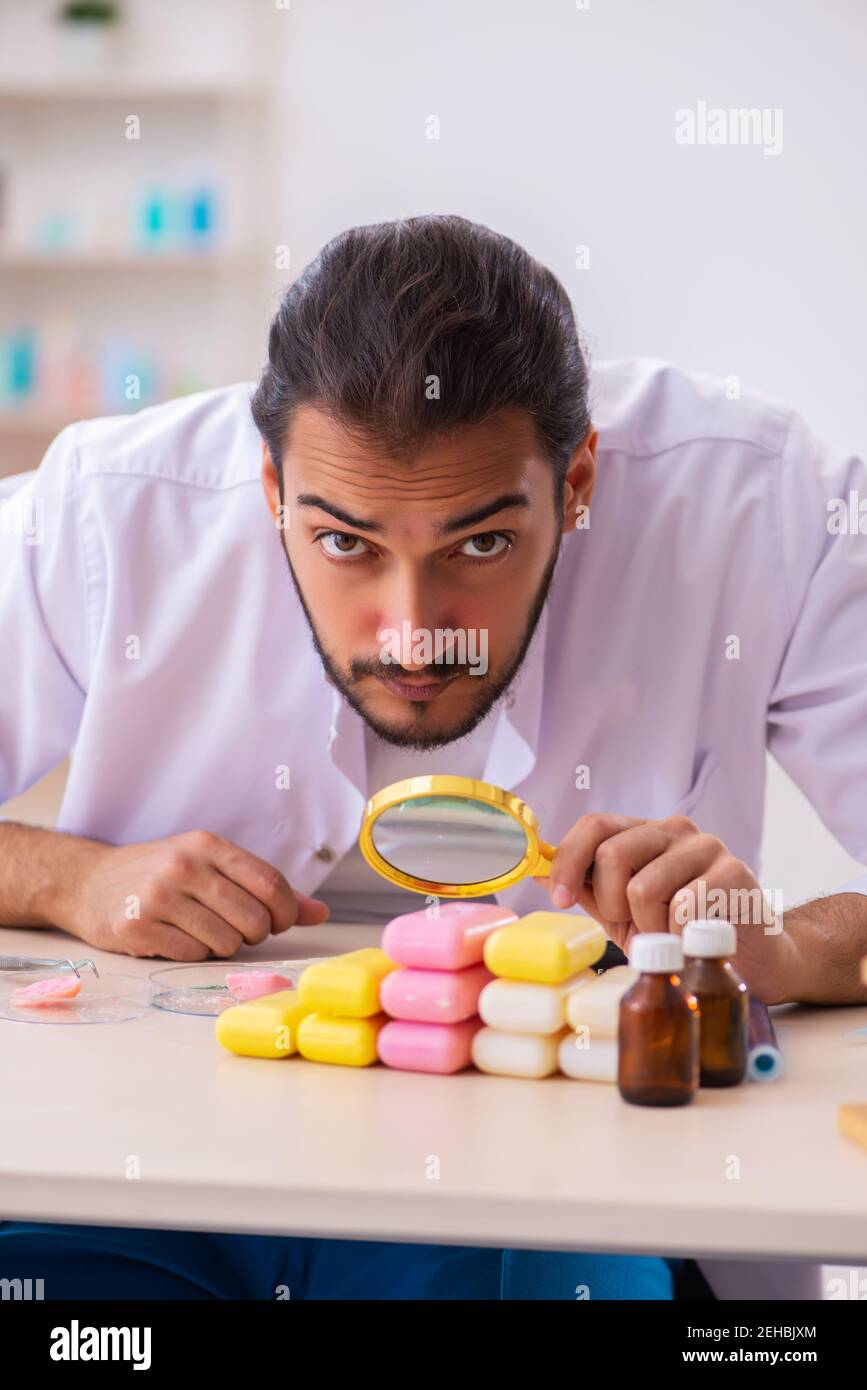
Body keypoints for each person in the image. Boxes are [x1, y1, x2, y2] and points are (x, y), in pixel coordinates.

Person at [1, 215, 865, 1300]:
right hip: (138, 1173)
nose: (413, 634)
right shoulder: (108, 512)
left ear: (581, 479)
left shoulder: (757, 505)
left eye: (482, 543)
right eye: (345, 543)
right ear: (271, 489)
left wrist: (788, 946)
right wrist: (65, 876)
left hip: (547, 1202)